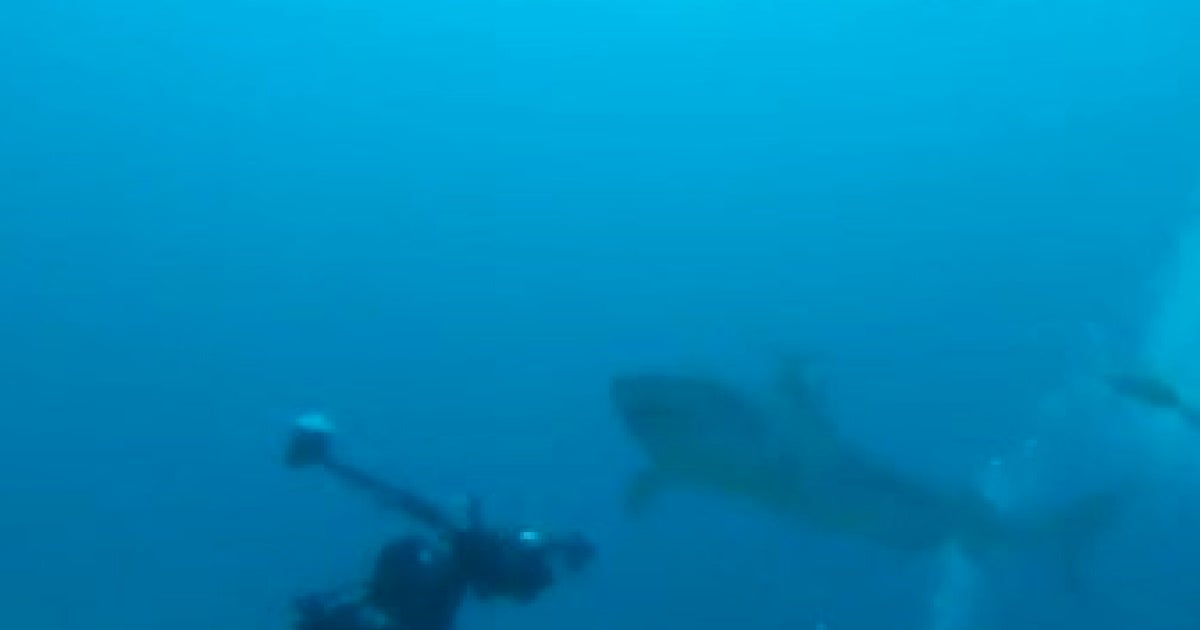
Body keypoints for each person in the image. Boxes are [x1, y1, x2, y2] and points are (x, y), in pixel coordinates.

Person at [284, 413, 596, 630]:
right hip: (427, 585)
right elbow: (411, 505)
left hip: (425, 586)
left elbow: (408, 504)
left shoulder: (481, 551)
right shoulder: (488, 549)